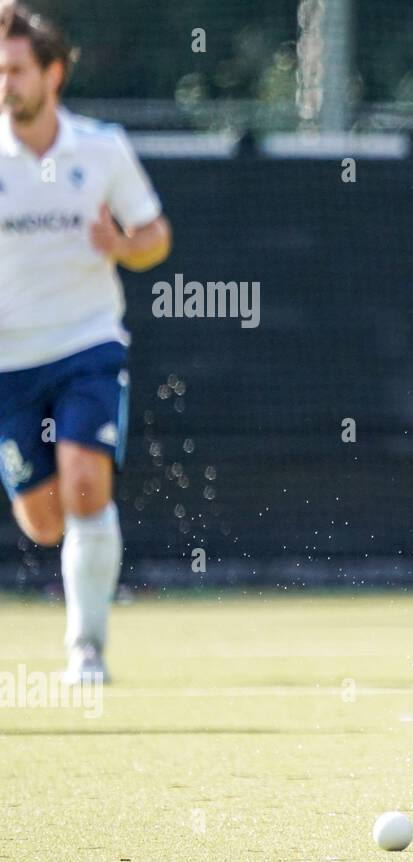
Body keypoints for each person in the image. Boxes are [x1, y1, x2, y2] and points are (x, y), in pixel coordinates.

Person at [0, 4, 172, 681]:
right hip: (10, 363)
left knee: (84, 487)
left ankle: (86, 651)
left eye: (16, 70)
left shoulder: (101, 147)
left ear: (54, 73)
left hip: (87, 346)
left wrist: (121, 244)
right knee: (43, 521)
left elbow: (155, 238)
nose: (4, 83)